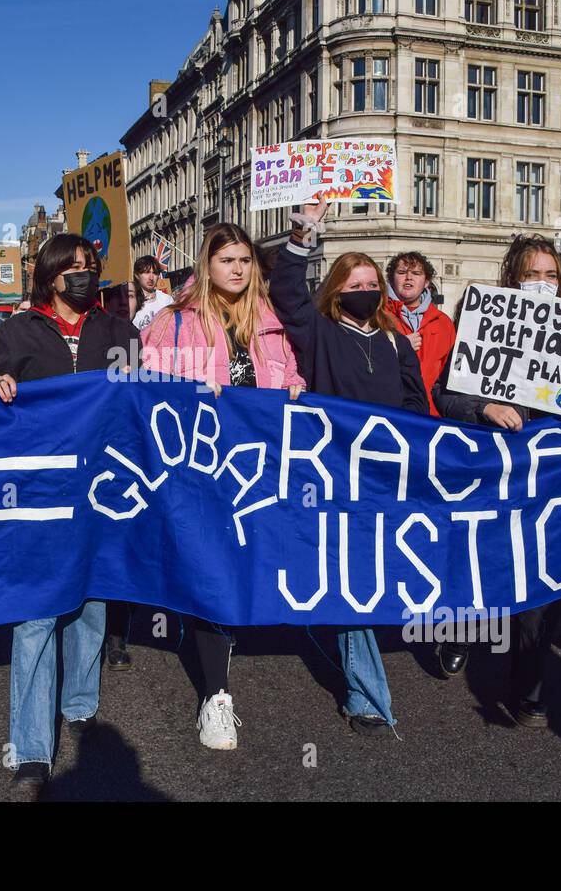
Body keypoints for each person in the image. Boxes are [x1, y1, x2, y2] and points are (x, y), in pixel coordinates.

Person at [431, 234, 561, 727]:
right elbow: (444, 391)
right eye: (531, 275)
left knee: (540, 578)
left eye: (550, 275)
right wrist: (484, 406)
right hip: (493, 473)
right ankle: (460, 631)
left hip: (551, 481)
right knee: (480, 566)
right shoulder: (483, 321)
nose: (541, 284)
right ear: (513, 278)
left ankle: (529, 690)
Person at [0, 233, 140, 797]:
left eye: (90, 265)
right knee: (36, 614)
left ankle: (79, 702)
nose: (83, 273)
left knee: (91, 603)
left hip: (100, 487)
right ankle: (30, 747)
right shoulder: (19, 330)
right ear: (49, 276)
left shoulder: (120, 332)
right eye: (71, 267)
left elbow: (141, 401)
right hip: (38, 487)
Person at [141, 222, 306, 750]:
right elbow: (145, 392)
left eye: (244, 260)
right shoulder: (174, 323)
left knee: (239, 569)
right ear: (205, 267)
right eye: (226, 260)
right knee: (213, 575)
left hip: (254, 472)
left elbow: (287, 376)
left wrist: (297, 387)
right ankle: (215, 696)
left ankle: (215, 635)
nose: (237, 269)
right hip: (198, 471)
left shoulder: (270, 324)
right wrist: (188, 393)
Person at [270, 203, 426, 738]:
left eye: (371, 283)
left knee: (382, 573)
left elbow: (414, 404)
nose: (365, 291)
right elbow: (286, 292)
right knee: (354, 581)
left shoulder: (395, 341)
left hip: (387, 476)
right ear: (337, 291)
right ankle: (364, 695)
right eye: (354, 283)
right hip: (334, 478)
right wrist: (303, 234)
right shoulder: (318, 333)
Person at [384, 252, 455, 416]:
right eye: (402, 273)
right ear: (390, 279)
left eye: (416, 273)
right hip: (391, 413)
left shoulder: (443, 323)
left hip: (433, 416)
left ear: (426, 282)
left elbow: (451, 375)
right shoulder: (376, 316)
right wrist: (396, 346)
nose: (408, 278)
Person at [131, 254, 173, 331]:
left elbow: (173, 330)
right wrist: (134, 344)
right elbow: (129, 334)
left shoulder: (167, 300)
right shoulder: (130, 302)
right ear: (137, 275)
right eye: (147, 272)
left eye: (155, 273)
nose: (151, 278)